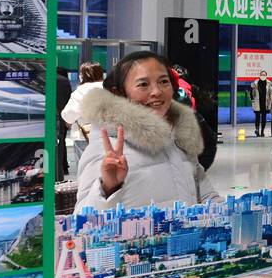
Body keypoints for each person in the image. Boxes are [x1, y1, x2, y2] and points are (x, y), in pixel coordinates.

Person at [74, 51, 216, 211]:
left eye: (163, 81)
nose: (157, 91)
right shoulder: (107, 150)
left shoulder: (178, 138)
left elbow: (205, 195)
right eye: (143, 84)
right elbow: (81, 219)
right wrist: (108, 188)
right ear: (118, 92)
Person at [61, 62, 105, 169]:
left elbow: (69, 115)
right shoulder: (111, 89)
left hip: (85, 136)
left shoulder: (81, 91)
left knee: (86, 171)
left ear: (83, 76)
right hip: (110, 136)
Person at [56, 64, 73, 179]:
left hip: (50, 116)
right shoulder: (65, 81)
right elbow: (69, 100)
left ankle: (58, 167)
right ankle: (63, 167)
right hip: (63, 116)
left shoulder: (47, 78)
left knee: (56, 143)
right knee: (61, 141)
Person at [251, 69, 272, 136]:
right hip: (257, 102)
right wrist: (252, 100)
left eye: (264, 75)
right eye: (261, 75)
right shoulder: (255, 83)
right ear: (259, 76)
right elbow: (251, 93)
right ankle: (257, 130)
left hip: (265, 102)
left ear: (266, 76)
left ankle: (262, 131)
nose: (263, 76)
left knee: (264, 117)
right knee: (257, 117)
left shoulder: (269, 83)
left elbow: (271, 92)